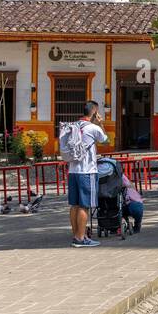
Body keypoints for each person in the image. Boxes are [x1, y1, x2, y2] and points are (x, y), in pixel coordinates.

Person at [60, 100, 108, 247]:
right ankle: (81, 238)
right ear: (93, 111)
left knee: (74, 205)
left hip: (73, 171)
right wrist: (100, 123)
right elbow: (106, 141)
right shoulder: (93, 128)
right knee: (84, 206)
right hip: (87, 172)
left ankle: (76, 235)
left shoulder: (73, 126)